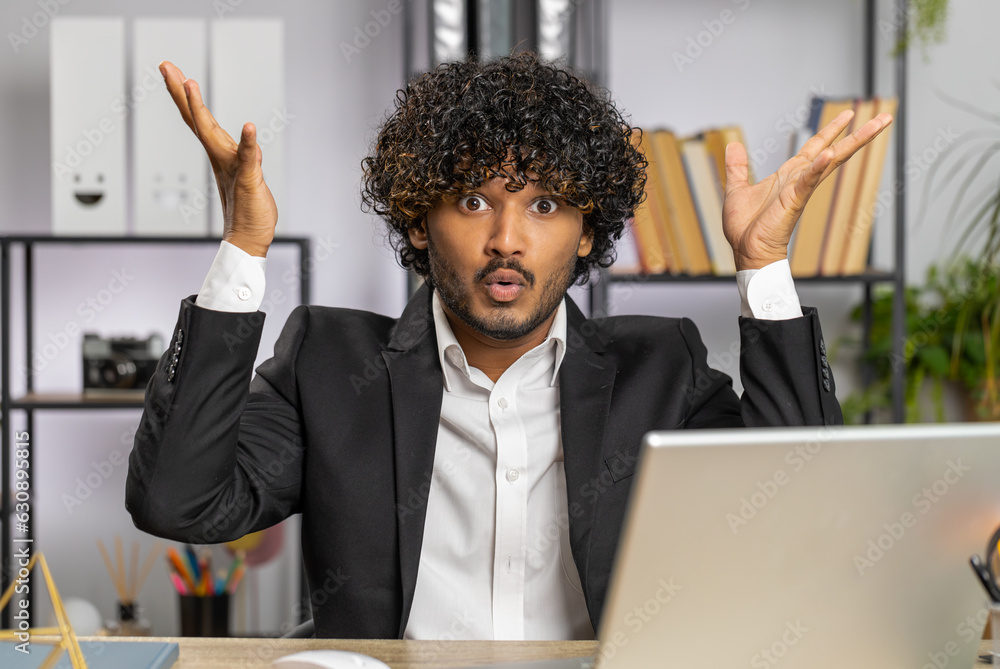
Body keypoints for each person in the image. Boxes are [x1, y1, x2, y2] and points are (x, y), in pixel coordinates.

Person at [126, 52, 891, 640]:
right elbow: (178, 501)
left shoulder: (662, 368)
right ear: (419, 223)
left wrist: (762, 266)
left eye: (545, 204)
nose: (506, 239)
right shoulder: (329, 362)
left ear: (586, 230)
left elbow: (803, 510)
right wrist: (243, 251)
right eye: (472, 200)